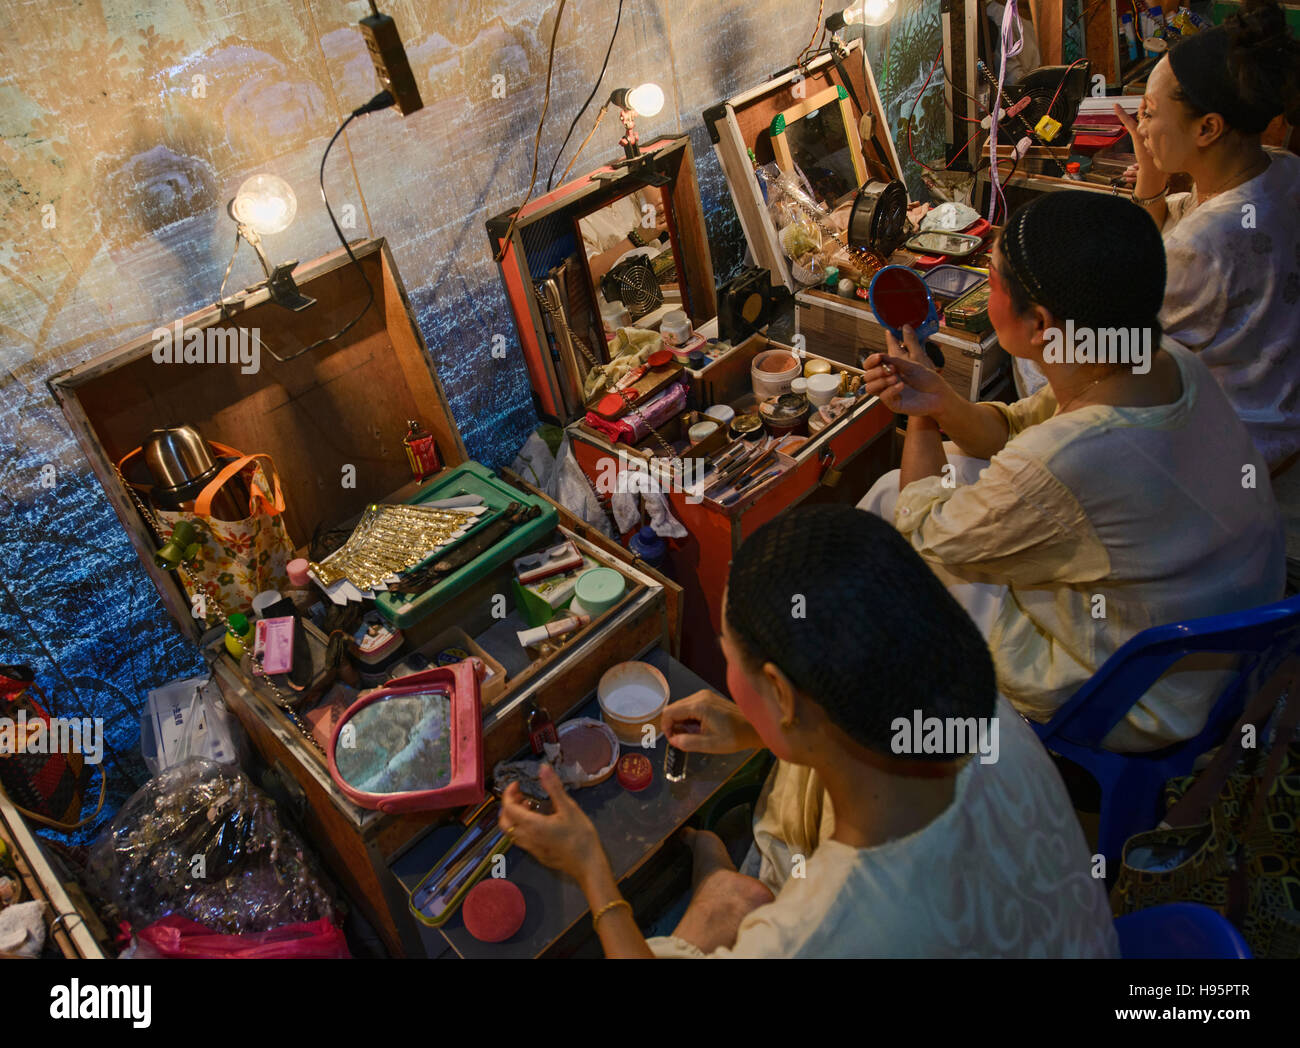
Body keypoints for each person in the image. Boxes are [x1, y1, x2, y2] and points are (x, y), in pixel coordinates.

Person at [499, 505, 1119, 958]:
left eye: (727, 654)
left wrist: (590, 869)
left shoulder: (824, 929)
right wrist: (754, 727)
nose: (723, 669)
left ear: (784, 694)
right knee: (732, 898)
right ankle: (717, 876)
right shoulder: (964, 705)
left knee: (725, 905)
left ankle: (714, 880)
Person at [857, 190, 1284, 751]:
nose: (986, 290)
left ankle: (875, 710)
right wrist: (940, 403)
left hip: (1144, 695)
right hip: (1231, 640)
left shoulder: (1069, 457)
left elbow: (927, 530)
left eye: (993, 277)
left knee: (901, 542)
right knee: (901, 490)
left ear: (1039, 324)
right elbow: (1015, 427)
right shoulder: (1162, 362)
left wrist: (918, 421)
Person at [1114, 0, 1300, 472]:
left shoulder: (1204, 245)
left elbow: (1125, 347)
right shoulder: (1284, 168)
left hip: (1234, 450)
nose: (1141, 123)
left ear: (1208, 128)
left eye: (1150, 111)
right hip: (1283, 418)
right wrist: (1151, 180)